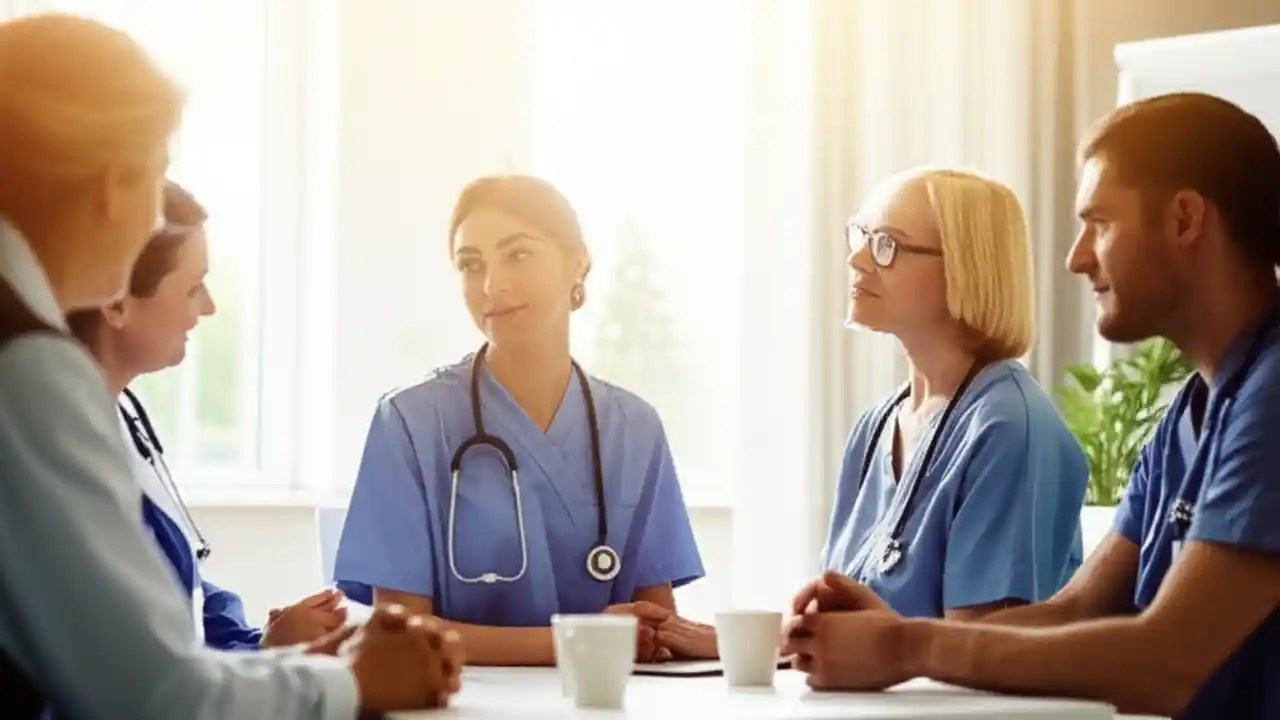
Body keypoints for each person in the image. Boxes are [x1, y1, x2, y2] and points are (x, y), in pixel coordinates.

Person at [0, 12, 460, 717]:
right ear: (112, 182)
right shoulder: (27, 372)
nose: (158, 217)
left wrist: (288, 667)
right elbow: (154, 695)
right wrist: (356, 682)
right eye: (158, 180)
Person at [783, 93, 1280, 720]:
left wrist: (909, 644)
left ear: (1184, 220)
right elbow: (1072, 612)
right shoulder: (1193, 411)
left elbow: (1168, 662)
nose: (1076, 257)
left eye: (1098, 221)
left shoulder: (1272, 396)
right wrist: (893, 637)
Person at [659, 168, 1089, 660]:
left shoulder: (1011, 429)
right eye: (861, 236)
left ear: (966, 267)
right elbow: (847, 624)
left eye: (887, 244)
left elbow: (983, 657)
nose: (856, 259)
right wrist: (728, 642)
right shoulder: (878, 426)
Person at [334, 173, 706, 665]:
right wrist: (578, 644)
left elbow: (657, 630)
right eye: (471, 264)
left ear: (578, 263)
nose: (492, 285)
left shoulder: (635, 429)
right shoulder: (410, 421)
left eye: (518, 255)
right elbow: (400, 635)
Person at [66, 180, 348, 651]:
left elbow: (185, 594)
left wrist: (258, 642)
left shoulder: (119, 418)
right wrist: (263, 656)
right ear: (116, 301)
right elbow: (126, 658)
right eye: (194, 287)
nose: (210, 307)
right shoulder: (62, 451)